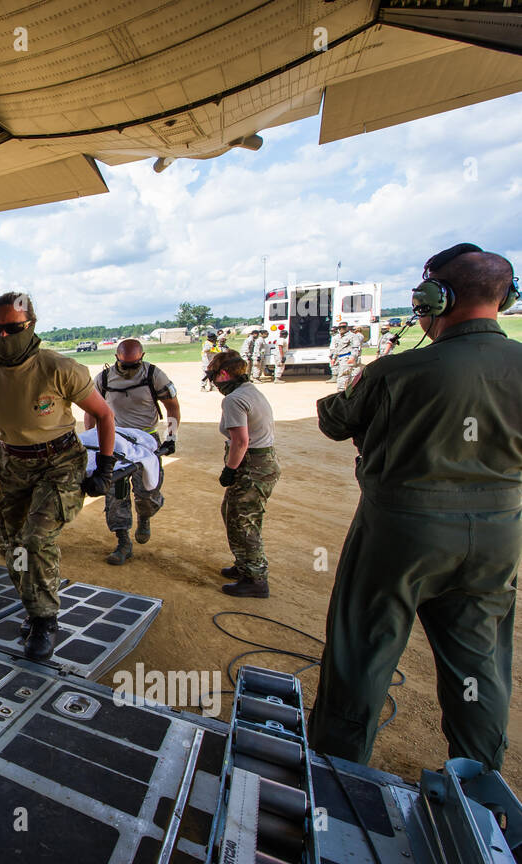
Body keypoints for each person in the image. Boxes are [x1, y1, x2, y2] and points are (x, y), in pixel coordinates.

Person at [308, 244, 522, 771]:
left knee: (362, 650)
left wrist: (363, 377)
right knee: (479, 664)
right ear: (508, 296)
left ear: (434, 298)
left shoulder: (396, 371)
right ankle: (479, 788)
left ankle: (337, 774)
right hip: (498, 535)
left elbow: (334, 422)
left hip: (402, 534)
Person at [0, 292, 116, 660]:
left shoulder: (58, 368)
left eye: (11, 329)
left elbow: (105, 415)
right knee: (12, 544)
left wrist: (105, 467)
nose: (2, 337)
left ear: (30, 325)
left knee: (35, 538)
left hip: (60, 462)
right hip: (15, 464)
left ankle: (46, 620)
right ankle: (32, 605)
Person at [85, 338, 179, 565]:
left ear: (142, 357)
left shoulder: (153, 375)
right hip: (115, 443)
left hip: (145, 442)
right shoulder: (104, 379)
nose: (129, 369)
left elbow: (172, 405)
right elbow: (91, 410)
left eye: (134, 365)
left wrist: (172, 436)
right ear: (116, 358)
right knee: (115, 493)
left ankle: (145, 516)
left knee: (148, 491)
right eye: (125, 365)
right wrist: (91, 438)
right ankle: (123, 542)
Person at [206, 350, 278, 598]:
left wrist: (230, 470)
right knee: (232, 513)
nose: (214, 382)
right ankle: (244, 565)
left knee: (245, 522)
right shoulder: (249, 391)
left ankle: (256, 579)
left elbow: (240, 441)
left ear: (224, 374)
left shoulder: (234, 399)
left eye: (214, 376)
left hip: (251, 467)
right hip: (261, 463)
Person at [334, 322, 366, 391]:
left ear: (347, 327)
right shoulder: (337, 337)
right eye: (340, 327)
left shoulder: (353, 336)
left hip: (347, 358)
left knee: (343, 377)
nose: (342, 329)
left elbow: (356, 348)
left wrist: (352, 357)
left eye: (344, 327)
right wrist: (334, 358)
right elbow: (336, 349)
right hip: (340, 359)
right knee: (347, 377)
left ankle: (340, 393)